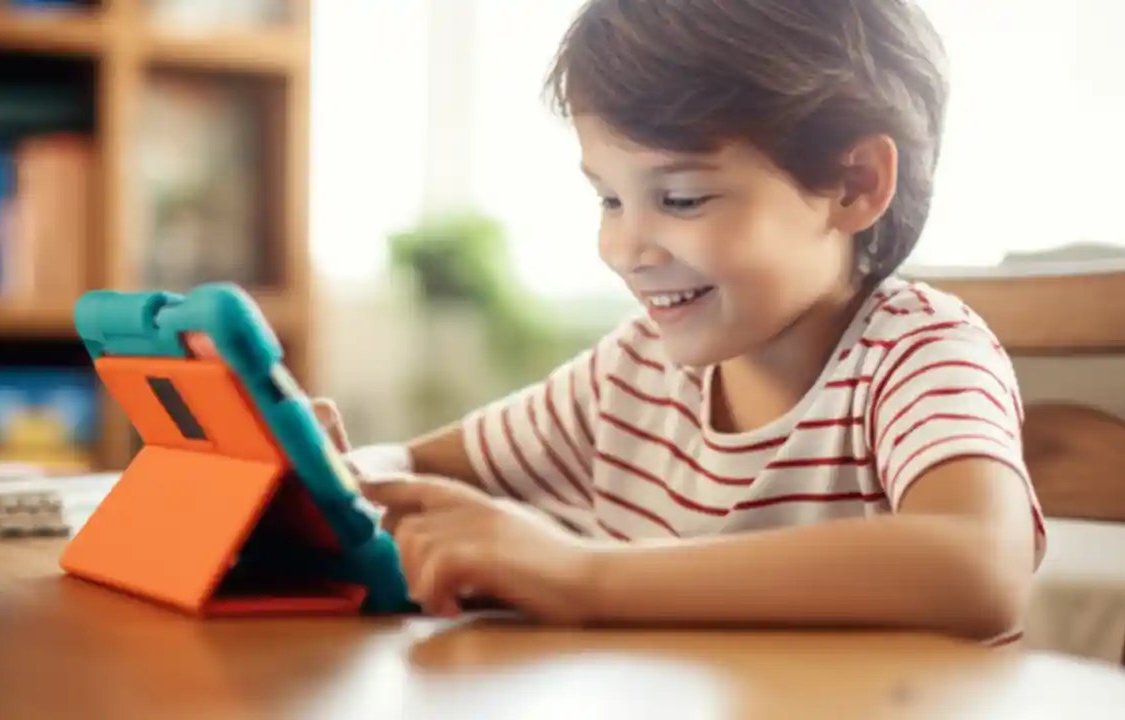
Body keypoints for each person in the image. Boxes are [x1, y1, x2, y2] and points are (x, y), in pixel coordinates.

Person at [320, 0, 1045, 642]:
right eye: (609, 200)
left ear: (853, 185)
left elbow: (980, 566)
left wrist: (586, 578)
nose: (624, 250)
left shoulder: (917, 355)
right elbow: (413, 467)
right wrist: (340, 478)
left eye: (682, 199)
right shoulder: (631, 376)